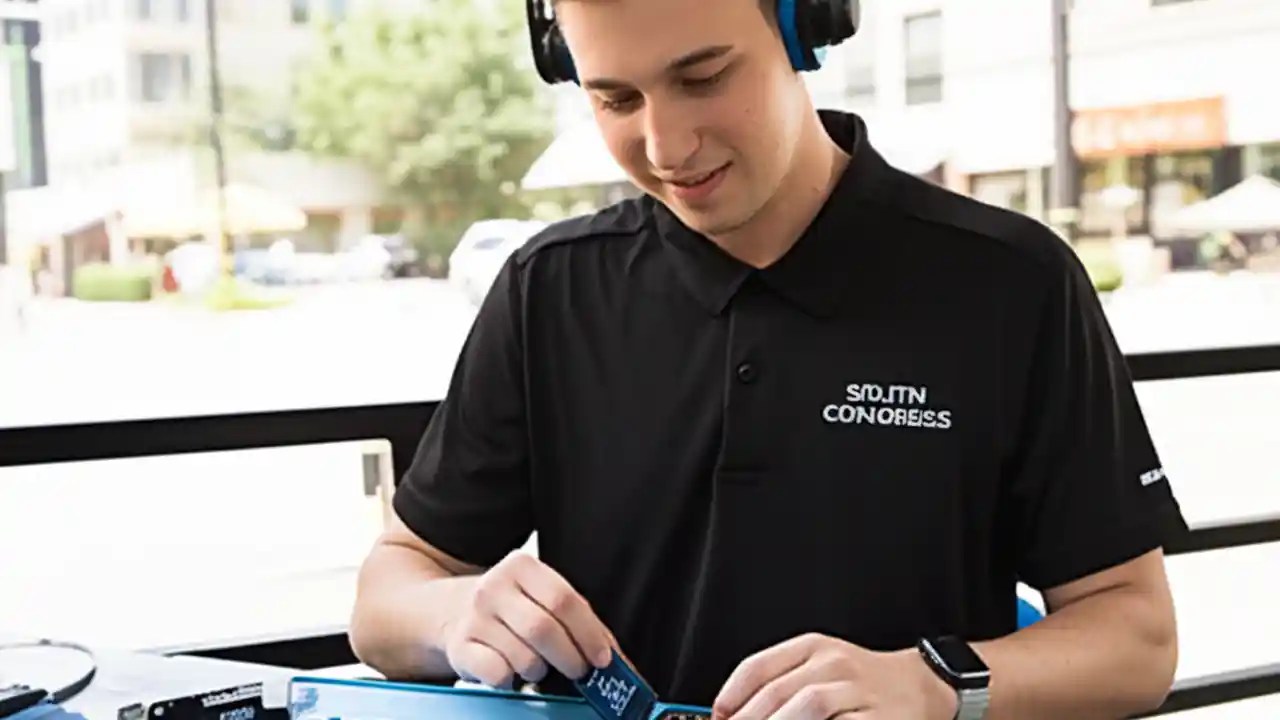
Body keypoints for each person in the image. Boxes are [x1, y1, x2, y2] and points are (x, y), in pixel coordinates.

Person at [350, 0, 1190, 717]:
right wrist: (453, 613)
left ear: (803, 26)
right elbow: (388, 596)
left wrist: (931, 687)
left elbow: (1136, 636)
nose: (666, 144)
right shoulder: (549, 288)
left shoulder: (1012, 283)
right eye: (614, 98)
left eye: (704, 77)